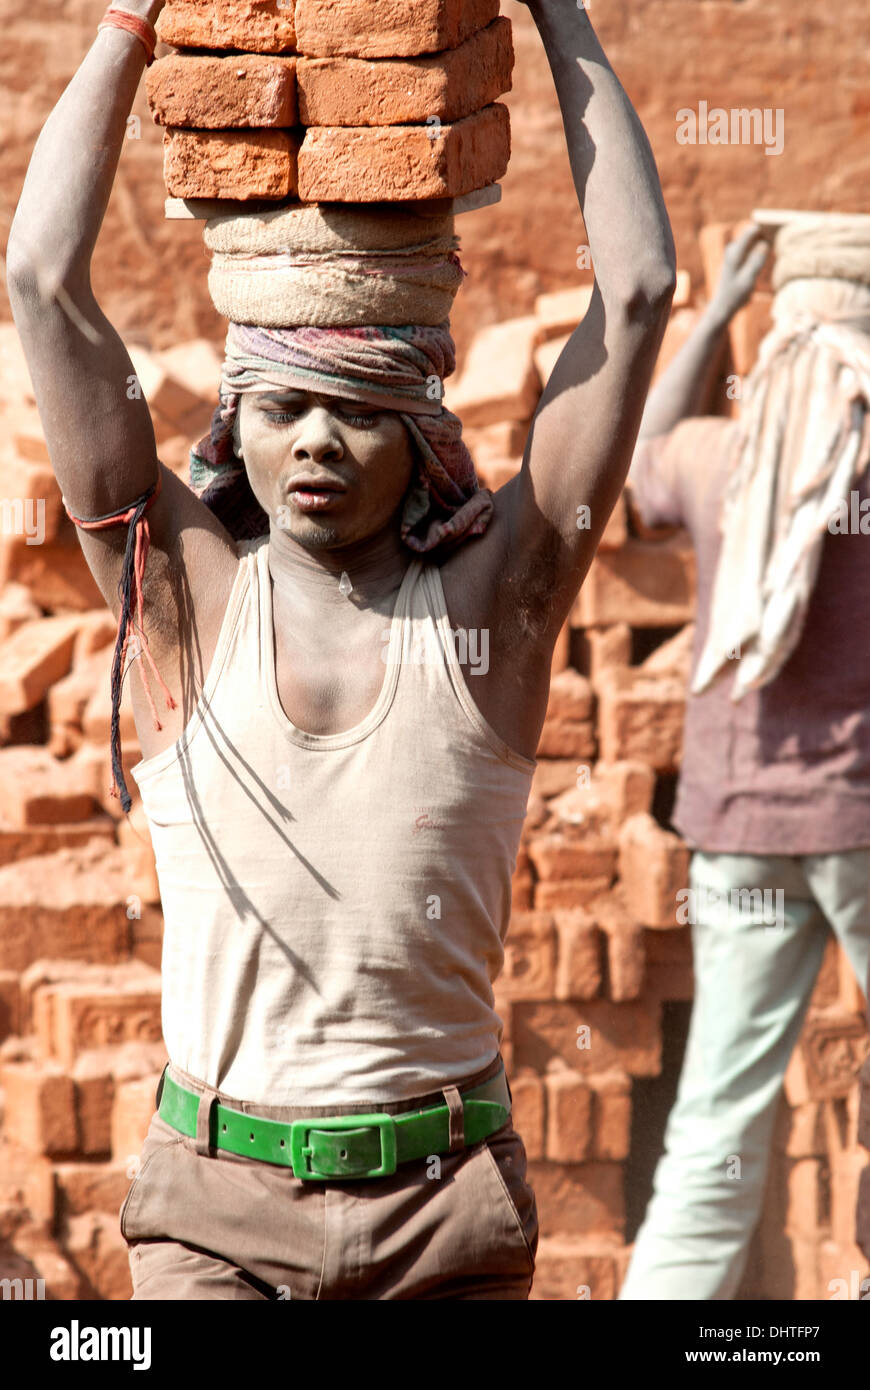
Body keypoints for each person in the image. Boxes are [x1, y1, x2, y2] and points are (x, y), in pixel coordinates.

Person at [7, 0, 675, 1300]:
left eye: (360, 407)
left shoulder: (496, 612)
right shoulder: (180, 606)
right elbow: (41, 280)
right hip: (209, 1218)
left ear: (420, 429)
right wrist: (130, 21)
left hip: (445, 1211)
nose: (317, 439)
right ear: (237, 421)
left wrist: (552, 10)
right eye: (288, 403)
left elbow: (638, 290)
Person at [619, 215, 870, 1300]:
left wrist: (713, 308)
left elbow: (633, 472)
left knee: (717, 1114)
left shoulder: (721, 460)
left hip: (739, 836)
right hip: (862, 824)